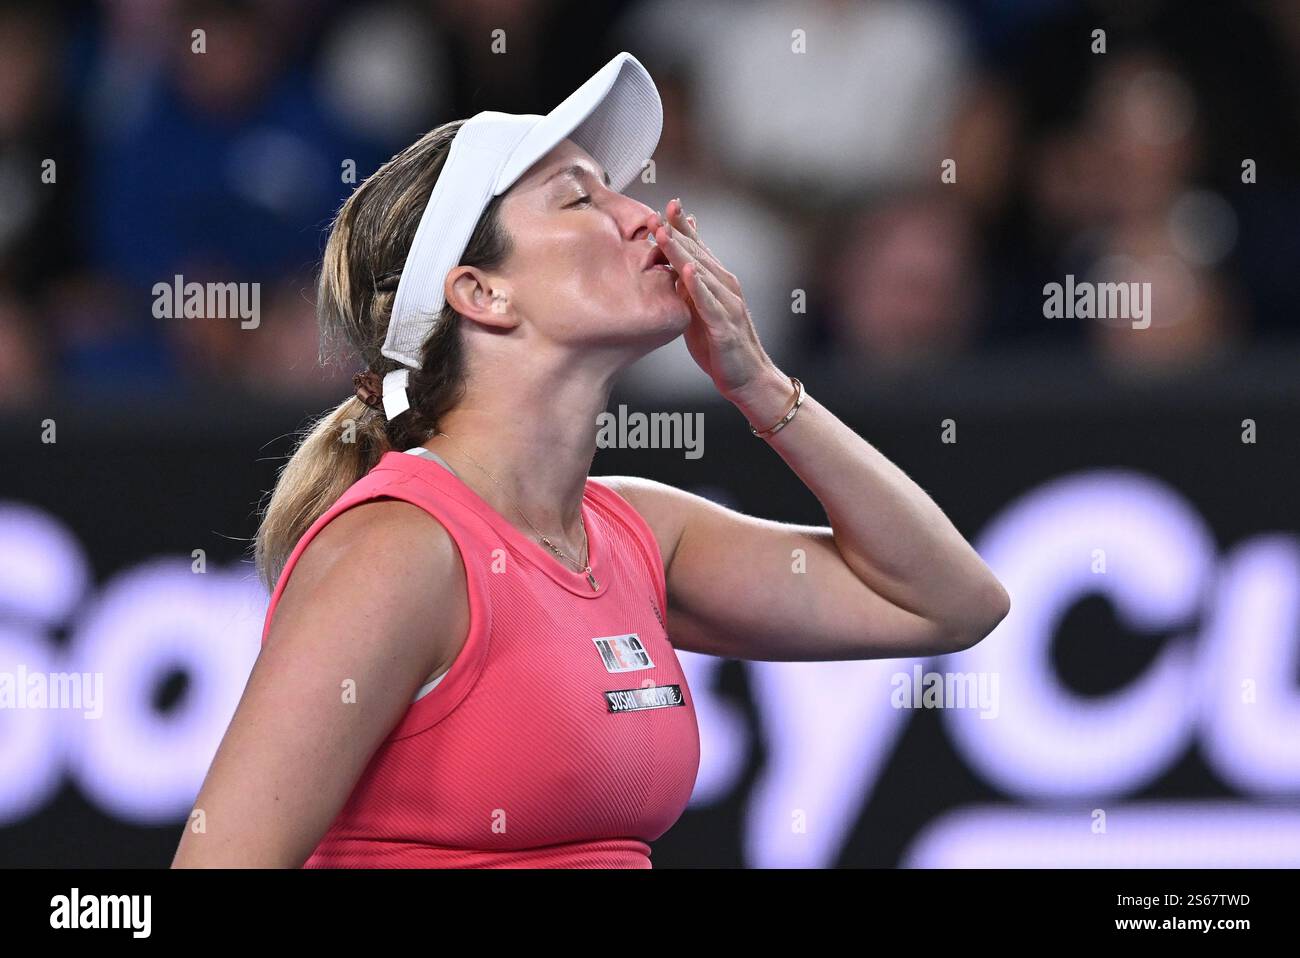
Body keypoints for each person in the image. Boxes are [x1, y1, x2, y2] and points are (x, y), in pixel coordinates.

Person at [171, 52, 1009, 869]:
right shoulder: (397, 550)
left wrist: (759, 386)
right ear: (480, 293)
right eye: (579, 199)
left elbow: (951, 603)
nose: (647, 216)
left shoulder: (638, 530)